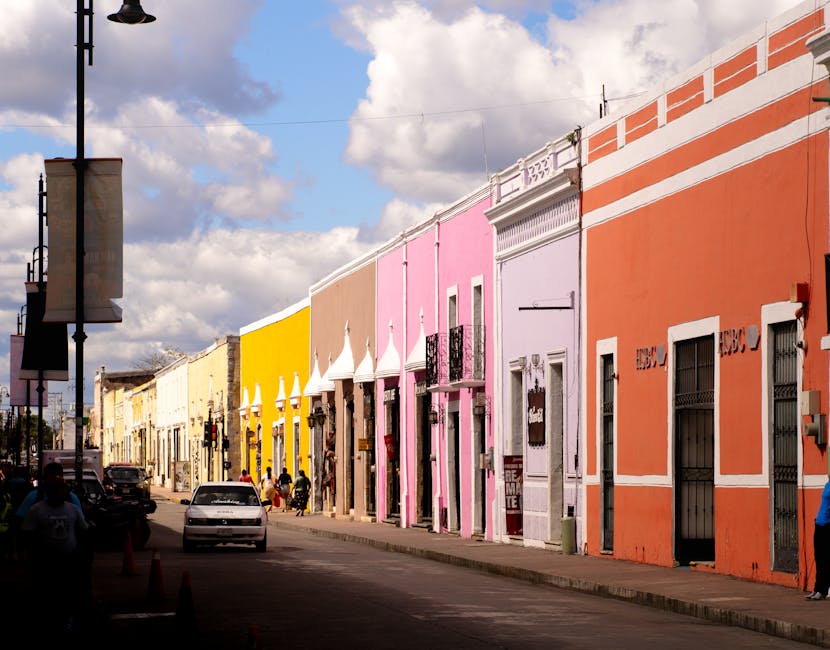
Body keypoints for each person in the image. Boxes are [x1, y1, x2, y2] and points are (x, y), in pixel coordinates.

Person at [21, 464, 90, 634]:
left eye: (60, 488)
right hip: (45, 562)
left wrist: (83, 557)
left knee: (68, 596)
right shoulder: (37, 508)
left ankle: (68, 622)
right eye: (53, 488)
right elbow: (27, 533)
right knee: (46, 596)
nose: (57, 492)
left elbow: (83, 532)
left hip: (68, 561)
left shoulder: (72, 507)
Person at [806, 473, 830, 600]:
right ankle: (817, 589)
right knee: (818, 558)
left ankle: (823, 590)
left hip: (827, 526)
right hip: (819, 524)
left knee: (825, 559)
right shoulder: (827, 485)